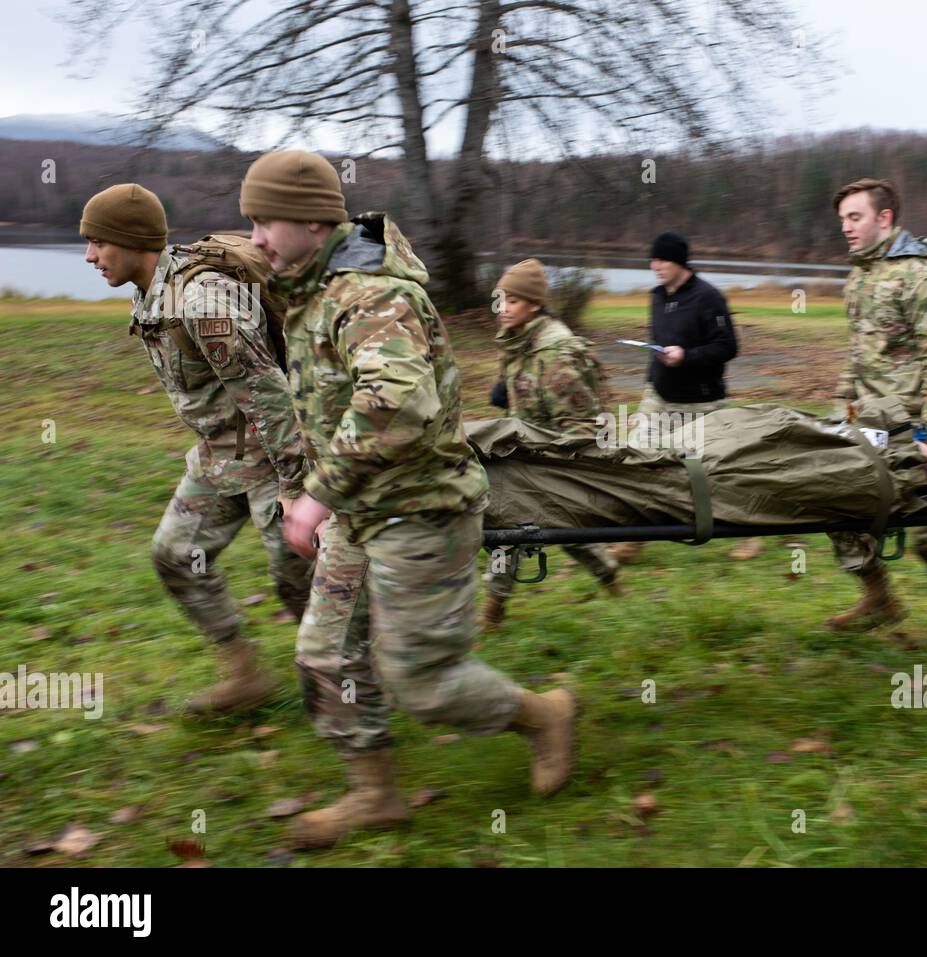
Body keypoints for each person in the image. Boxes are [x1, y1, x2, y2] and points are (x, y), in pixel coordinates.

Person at [239, 150, 577, 848]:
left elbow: (396, 402)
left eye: (263, 221)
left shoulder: (370, 295)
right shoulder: (308, 284)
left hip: (421, 513)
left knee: (423, 681)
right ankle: (376, 793)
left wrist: (318, 493)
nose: (255, 239)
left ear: (309, 219)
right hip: (361, 515)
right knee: (325, 654)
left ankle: (543, 714)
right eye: (250, 223)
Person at [81, 183, 310, 714]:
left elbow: (270, 397)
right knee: (177, 556)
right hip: (219, 454)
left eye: (98, 242)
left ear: (134, 241)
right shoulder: (151, 289)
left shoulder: (203, 302)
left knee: (300, 582)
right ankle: (245, 675)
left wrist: (299, 489)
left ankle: (359, 680)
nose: (90, 256)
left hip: (273, 454)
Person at [825, 178, 927, 643]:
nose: (846, 228)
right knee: (836, 506)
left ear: (884, 218)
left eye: (855, 217)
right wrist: (837, 413)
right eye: (843, 219)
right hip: (866, 421)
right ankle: (878, 597)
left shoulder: (924, 277)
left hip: (917, 424)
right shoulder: (860, 276)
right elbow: (858, 354)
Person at [481, 258, 624, 630]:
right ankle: (611, 578)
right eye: (500, 299)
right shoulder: (520, 342)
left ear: (533, 304)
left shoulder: (554, 352)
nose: (503, 308)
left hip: (557, 463)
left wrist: (539, 457)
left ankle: (492, 612)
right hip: (529, 459)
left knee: (512, 530)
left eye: (512, 300)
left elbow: (583, 427)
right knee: (555, 532)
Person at [607, 231, 763, 562]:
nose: (655, 266)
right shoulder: (656, 297)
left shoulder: (709, 298)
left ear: (679, 262)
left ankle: (751, 535)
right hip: (658, 399)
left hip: (702, 403)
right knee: (637, 461)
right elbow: (658, 343)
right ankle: (633, 541)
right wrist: (652, 381)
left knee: (711, 475)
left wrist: (686, 356)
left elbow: (728, 347)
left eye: (661, 260)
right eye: (652, 260)